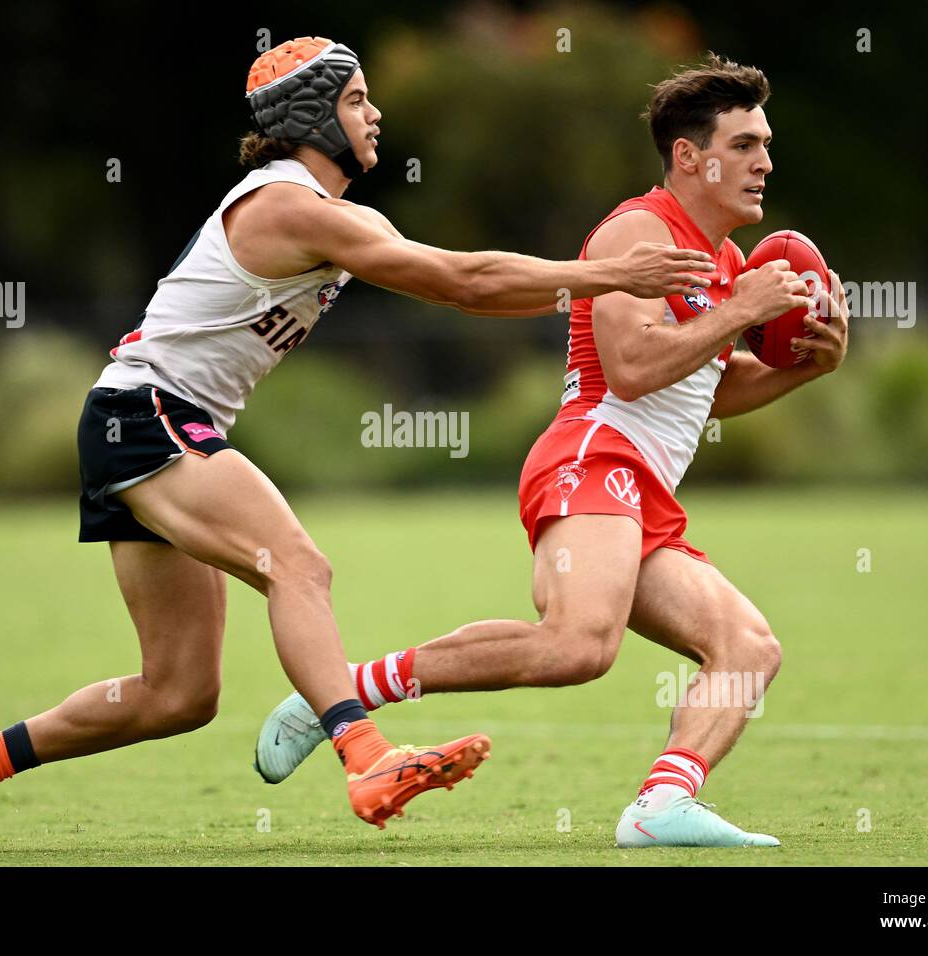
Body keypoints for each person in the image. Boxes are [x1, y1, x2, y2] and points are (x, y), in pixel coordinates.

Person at [0, 36, 712, 852]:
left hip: (142, 424)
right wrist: (607, 276)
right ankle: (366, 757)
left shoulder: (333, 216)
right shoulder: (283, 204)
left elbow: (467, 292)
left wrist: (590, 290)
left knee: (177, 695)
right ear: (313, 115)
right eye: (356, 101)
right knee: (298, 565)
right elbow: (462, 278)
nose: (375, 114)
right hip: (149, 414)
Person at [254, 53, 851, 848]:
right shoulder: (638, 230)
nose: (765, 162)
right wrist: (739, 310)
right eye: (744, 144)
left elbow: (710, 387)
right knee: (579, 645)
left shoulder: (726, 263)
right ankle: (345, 694)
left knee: (748, 646)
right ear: (688, 156)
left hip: (644, 493)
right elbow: (634, 369)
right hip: (593, 457)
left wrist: (808, 365)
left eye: (765, 144)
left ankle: (660, 806)